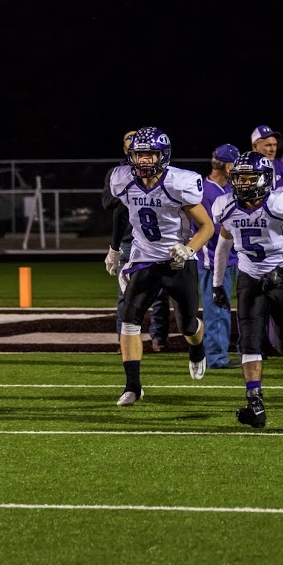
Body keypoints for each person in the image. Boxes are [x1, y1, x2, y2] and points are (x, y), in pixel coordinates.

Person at [108, 127, 214, 406]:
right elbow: (121, 213)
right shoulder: (122, 180)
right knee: (129, 319)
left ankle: (196, 348)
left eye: (149, 155)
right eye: (139, 154)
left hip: (178, 261)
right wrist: (116, 251)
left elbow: (207, 226)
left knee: (187, 325)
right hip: (144, 260)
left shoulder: (179, 183)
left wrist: (189, 247)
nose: (143, 161)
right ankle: (132, 386)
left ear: (162, 156)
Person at [211, 151, 283, 427]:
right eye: (240, 177)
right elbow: (223, 245)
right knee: (250, 341)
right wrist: (216, 283)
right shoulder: (227, 206)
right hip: (250, 279)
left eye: (250, 177)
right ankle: (255, 404)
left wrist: (282, 271)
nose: (245, 183)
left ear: (265, 179)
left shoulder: (279, 204)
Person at [103, 130, 170, 351]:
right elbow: (110, 206)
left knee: (160, 294)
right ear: (126, 150)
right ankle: (125, 340)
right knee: (126, 294)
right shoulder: (119, 175)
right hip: (128, 241)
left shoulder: (166, 175)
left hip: (156, 243)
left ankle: (158, 338)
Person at [192, 143, 239, 369]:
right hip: (212, 259)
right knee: (217, 309)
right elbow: (209, 228)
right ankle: (216, 357)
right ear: (228, 166)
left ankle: (234, 350)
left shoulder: (227, 188)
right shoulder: (204, 190)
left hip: (234, 257)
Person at [250, 124, 283, 188]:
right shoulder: (246, 169)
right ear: (255, 147)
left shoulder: (280, 166)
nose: (272, 149)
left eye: (275, 145)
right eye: (268, 145)